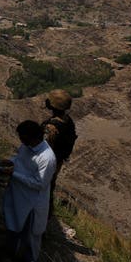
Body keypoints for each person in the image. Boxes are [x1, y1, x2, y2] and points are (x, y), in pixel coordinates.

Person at [3, 119, 57, 262]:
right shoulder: (27, 146)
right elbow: (20, 159)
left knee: (29, 234)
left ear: (32, 137)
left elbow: (39, 183)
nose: (20, 140)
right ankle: (11, 256)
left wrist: (14, 174)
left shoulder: (47, 158)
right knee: (13, 227)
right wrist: (10, 162)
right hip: (18, 195)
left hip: (32, 203)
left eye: (22, 137)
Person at [41, 89, 77, 219]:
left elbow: (44, 148)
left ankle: (41, 219)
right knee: (50, 187)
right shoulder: (68, 121)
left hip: (49, 163)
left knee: (43, 190)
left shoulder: (52, 127)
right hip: (58, 161)